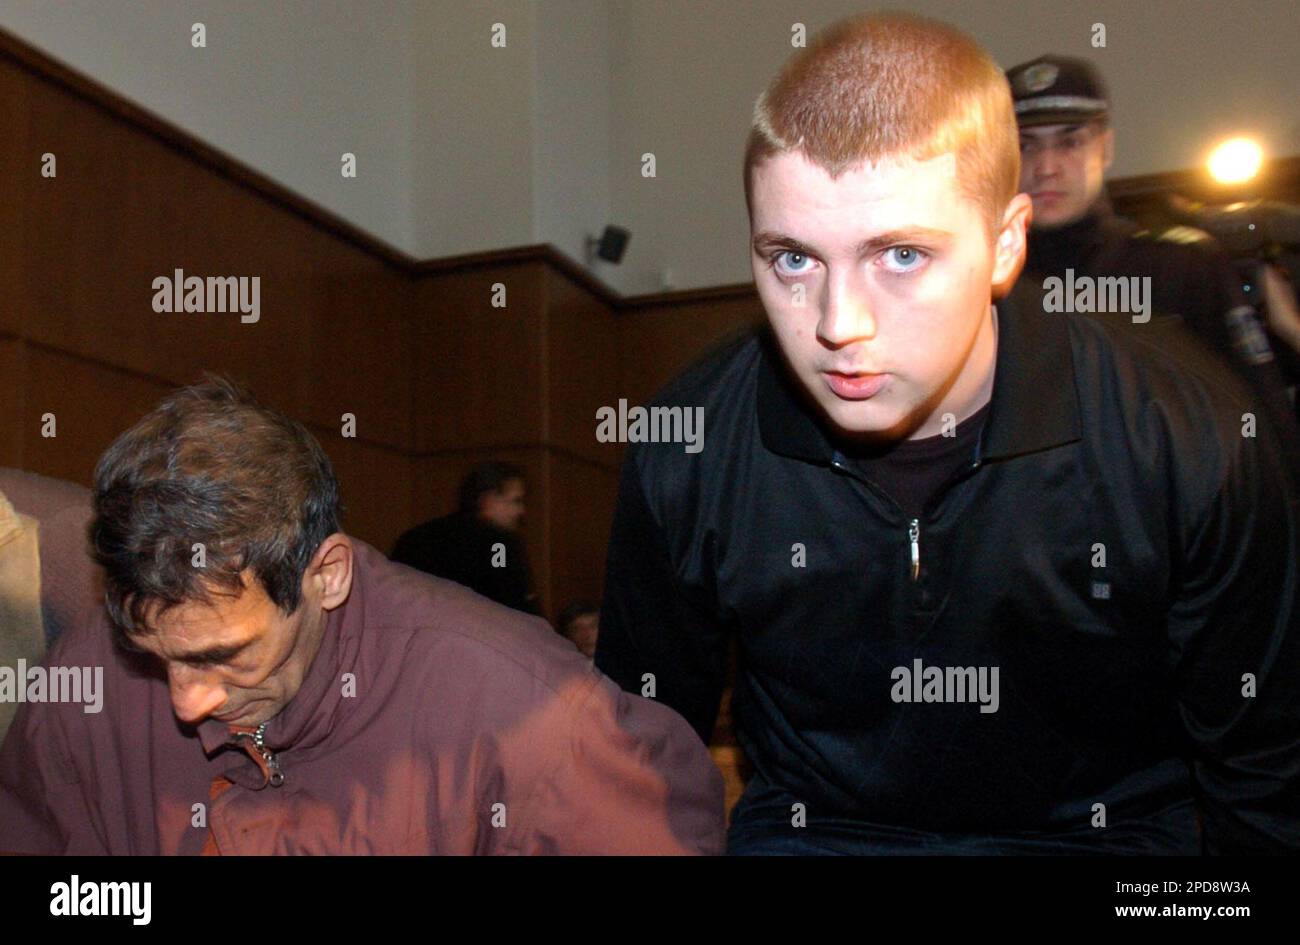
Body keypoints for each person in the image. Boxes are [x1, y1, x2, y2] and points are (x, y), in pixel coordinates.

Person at [595, 13, 1300, 854]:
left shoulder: (1188, 436)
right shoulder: (690, 446)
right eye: (793, 258)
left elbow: (1264, 775)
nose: (838, 323)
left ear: (1006, 245)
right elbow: (638, 757)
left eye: (899, 256)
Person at [0, 379, 724, 854]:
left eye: (226, 654)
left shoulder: (530, 713)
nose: (187, 700)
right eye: (155, 653)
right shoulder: (89, 674)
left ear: (327, 576)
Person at [1009, 54, 1299, 471]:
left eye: (1070, 142)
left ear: (1105, 147)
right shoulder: (979, 289)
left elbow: (1263, 427)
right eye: (1025, 145)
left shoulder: (1181, 269)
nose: (1047, 168)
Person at [391, 463, 539, 615]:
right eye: (516, 501)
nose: (521, 511)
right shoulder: (499, 544)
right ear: (488, 499)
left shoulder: (415, 538)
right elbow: (508, 598)